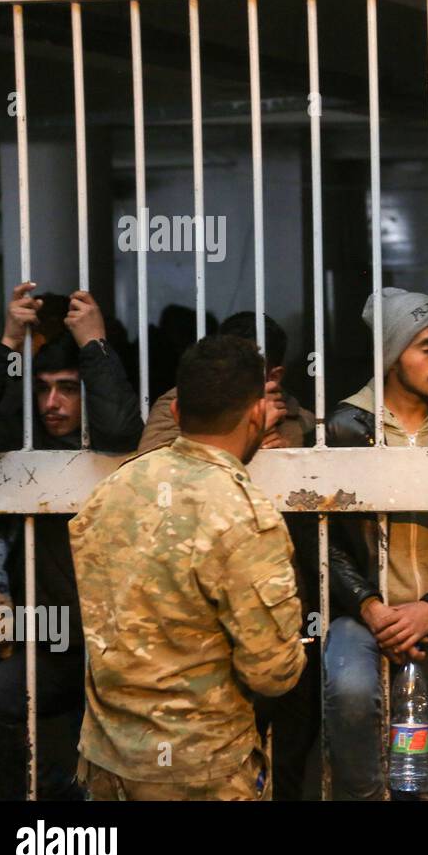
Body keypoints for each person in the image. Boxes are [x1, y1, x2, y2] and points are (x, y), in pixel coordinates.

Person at [69, 335, 306, 800]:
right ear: (258, 412)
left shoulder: (111, 493)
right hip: (202, 772)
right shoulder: (242, 516)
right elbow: (273, 672)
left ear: (176, 415)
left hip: (108, 763)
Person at [134, 310, 320, 798]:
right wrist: (246, 440)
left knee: (291, 726)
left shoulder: (296, 414)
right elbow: (156, 472)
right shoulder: (181, 405)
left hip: (272, 593)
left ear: (273, 375)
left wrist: (280, 438)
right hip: (193, 600)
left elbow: (312, 480)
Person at [0, 282, 141, 801]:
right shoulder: (29, 437)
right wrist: (5, 344)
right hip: (54, 643)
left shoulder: (113, 438)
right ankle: (41, 796)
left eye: (67, 388)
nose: (52, 403)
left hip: (121, 640)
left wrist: (94, 346)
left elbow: (117, 431)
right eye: (42, 388)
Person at [324, 288, 428, 800]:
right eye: (426, 347)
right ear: (392, 354)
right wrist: (371, 607)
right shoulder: (347, 426)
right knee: (351, 692)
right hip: (363, 612)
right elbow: (326, 539)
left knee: (426, 743)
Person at [138, 311, 312, 453]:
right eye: (224, 364)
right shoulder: (182, 402)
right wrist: (249, 437)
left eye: (244, 371)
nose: (229, 376)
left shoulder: (303, 421)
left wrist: (286, 458)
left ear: (273, 377)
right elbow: (151, 475)